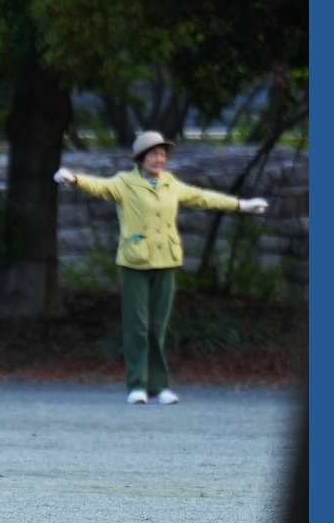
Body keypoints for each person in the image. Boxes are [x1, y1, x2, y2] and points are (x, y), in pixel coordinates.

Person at [56, 130, 269, 405]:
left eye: (162, 153)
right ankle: (137, 385)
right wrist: (73, 179)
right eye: (153, 153)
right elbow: (99, 187)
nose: (159, 158)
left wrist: (242, 205)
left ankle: (158, 387)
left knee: (157, 326)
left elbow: (203, 197)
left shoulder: (170, 183)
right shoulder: (125, 182)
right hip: (136, 262)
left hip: (166, 261)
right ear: (141, 157)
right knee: (137, 326)